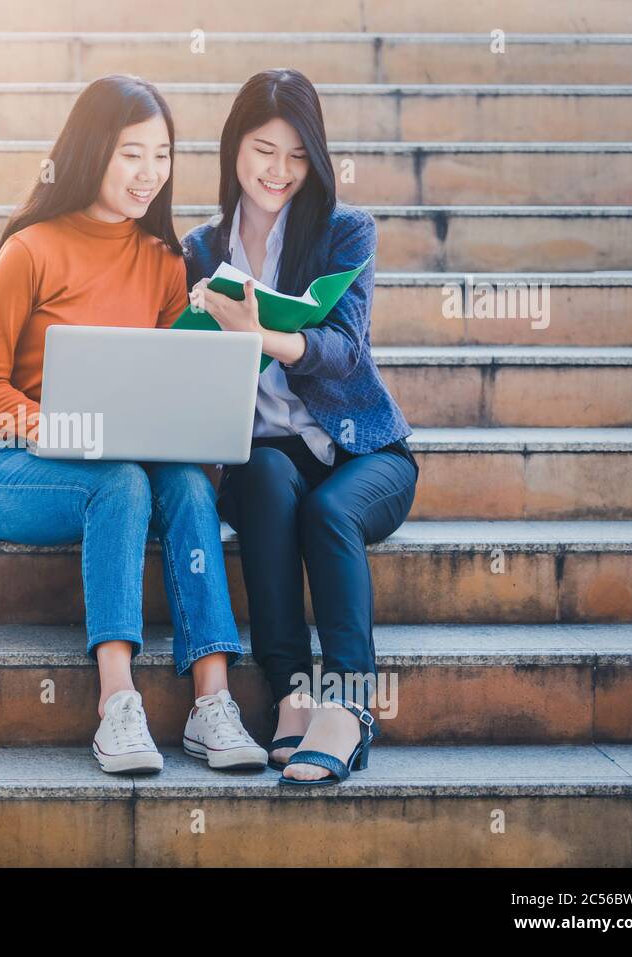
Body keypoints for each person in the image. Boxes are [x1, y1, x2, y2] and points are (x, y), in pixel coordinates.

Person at [0, 74, 268, 775]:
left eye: (161, 156)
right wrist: (64, 431)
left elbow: (163, 389)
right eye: (133, 154)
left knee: (186, 481)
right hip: (13, 466)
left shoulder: (163, 262)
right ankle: (118, 704)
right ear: (94, 150)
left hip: (121, 459)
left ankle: (211, 704)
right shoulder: (30, 250)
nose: (149, 174)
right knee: (122, 483)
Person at [183, 69, 420, 785]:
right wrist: (204, 326)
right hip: (268, 457)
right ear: (234, 149)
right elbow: (189, 377)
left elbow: (346, 348)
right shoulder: (202, 247)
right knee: (260, 473)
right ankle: (291, 694)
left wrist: (264, 335)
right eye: (263, 151)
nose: (279, 172)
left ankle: (349, 707)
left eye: (296, 156)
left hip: (365, 454)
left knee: (327, 509)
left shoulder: (345, 231)